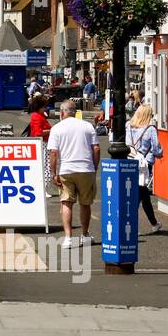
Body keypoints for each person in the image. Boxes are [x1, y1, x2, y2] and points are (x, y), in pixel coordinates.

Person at [47, 98, 100, 248]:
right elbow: (96, 148)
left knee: (66, 203)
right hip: (86, 169)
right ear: (75, 112)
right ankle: (85, 234)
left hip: (66, 170)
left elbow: (53, 153)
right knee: (85, 203)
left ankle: (68, 238)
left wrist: (53, 173)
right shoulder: (87, 126)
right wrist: (94, 167)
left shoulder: (57, 128)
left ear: (62, 113)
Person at [125, 103, 164, 233]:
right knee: (139, 194)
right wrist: (160, 153)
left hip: (129, 161)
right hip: (144, 165)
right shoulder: (150, 129)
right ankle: (129, 224)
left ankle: (154, 223)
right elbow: (156, 149)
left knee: (142, 194)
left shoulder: (128, 126)